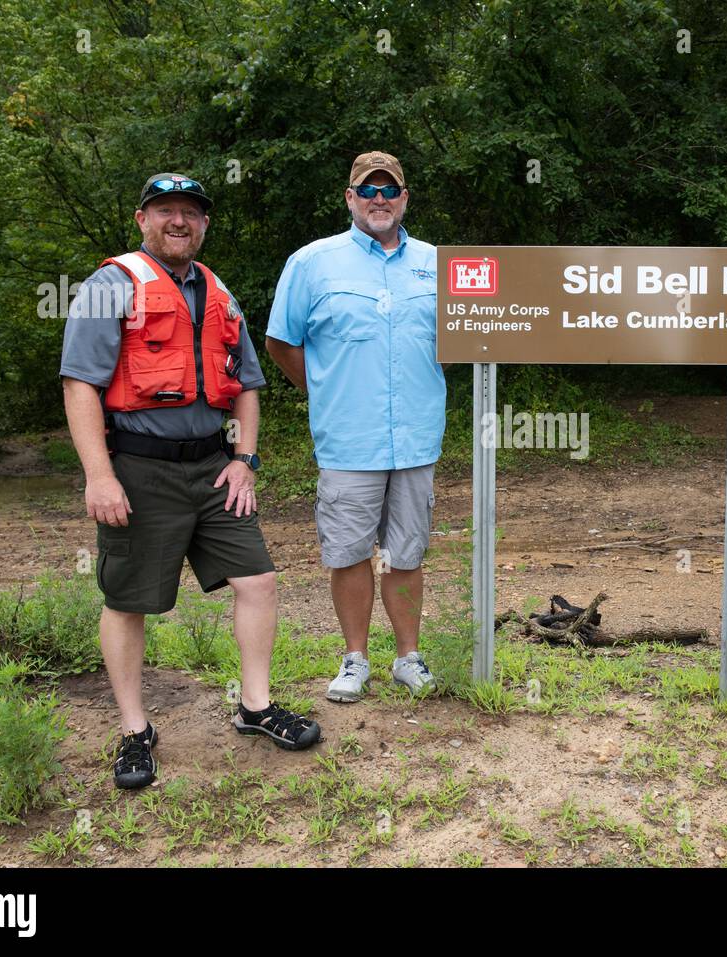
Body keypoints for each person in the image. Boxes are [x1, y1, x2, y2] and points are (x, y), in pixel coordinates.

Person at [61, 172, 322, 790]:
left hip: (214, 467)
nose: (179, 221)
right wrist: (99, 475)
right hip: (139, 468)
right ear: (142, 219)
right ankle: (134, 731)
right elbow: (79, 385)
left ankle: (255, 707)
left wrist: (245, 460)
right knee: (128, 600)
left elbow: (249, 388)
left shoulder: (217, 290)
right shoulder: (111, 285)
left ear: (204, 224)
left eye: (191, 213)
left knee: (257, 579)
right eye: (166, 211)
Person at [265, 151, 445, 703]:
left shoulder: (441, 264)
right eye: (368, 190)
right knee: (347, 553)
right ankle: (355, 659)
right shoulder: (312, 263)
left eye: (390, 189)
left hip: (415, 439)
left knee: (406, 553)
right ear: (350, 198)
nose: (379, 200)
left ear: (405, 198)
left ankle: (407, 658)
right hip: (348, 441)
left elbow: (481, 337)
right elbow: (280, 341)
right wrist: (323, 392)